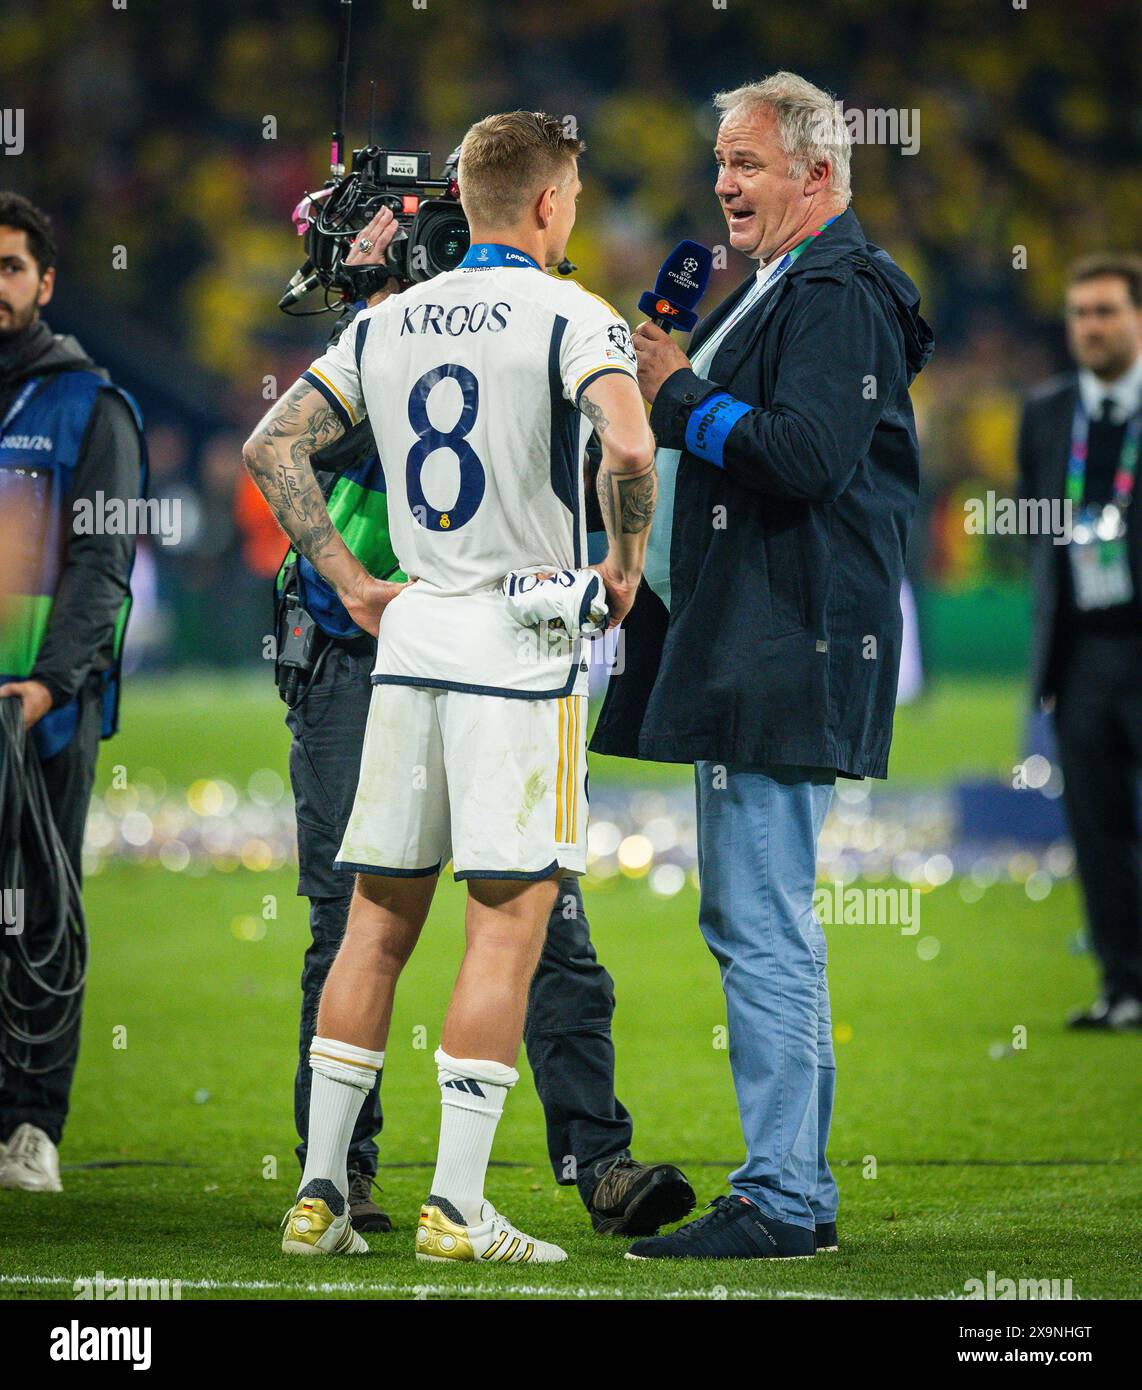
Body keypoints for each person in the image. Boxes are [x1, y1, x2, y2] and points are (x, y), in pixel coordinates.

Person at [245, 110, 661, 1263]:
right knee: (504, 927)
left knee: (371, 926)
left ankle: (321, 1195)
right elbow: (627, 448)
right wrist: (619, 566)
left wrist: (353, 581)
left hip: (411, 637)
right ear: (544, 204)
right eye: (569, 200)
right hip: (516, 647)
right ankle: (458, 1203)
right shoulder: (573, 314)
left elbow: (273, 443)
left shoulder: (386, 319)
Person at [593, 73, 933, 1260]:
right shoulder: (787, 284)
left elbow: (808, 454)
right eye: (720, 163)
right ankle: (785, 1184)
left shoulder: (835, 288)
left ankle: (786, 1196)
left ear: (818, 176)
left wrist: (678, 393)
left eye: (747, 163)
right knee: (755, 913)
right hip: (754, 636)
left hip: (784, 641)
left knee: (762, 919)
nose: (724, 184)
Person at [0, 192, 146, 1190]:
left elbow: (104, 564)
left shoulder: (90, 406)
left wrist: (49, 685)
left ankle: (30, 1127)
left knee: (38, 916)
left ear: (45, 283)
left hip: (37, 714)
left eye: (11, 267)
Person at [1018, 254, 1142, 1031]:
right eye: (1080, 314)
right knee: (1097, 830)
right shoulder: (1045, 412)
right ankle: (1123, 987)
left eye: (1107, 312)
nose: (1091, 327)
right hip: (1084, 653)